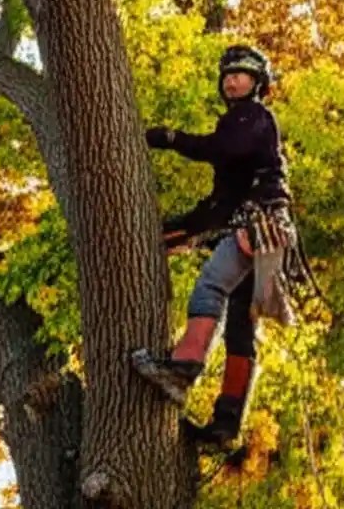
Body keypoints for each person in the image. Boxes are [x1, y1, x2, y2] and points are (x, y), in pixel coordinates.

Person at [131, 44, 302, 448]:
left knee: (211, 285)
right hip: (253, 228)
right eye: (227, 73)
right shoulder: (240, 128)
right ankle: (225, 427)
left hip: (258, 223)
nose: (231, 79)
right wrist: (175, 233)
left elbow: (222, 149)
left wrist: (172, 139)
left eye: (241, 73)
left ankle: (183, 367)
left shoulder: (252, 117)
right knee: (241, 329)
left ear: (258, 83)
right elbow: (218, 205)